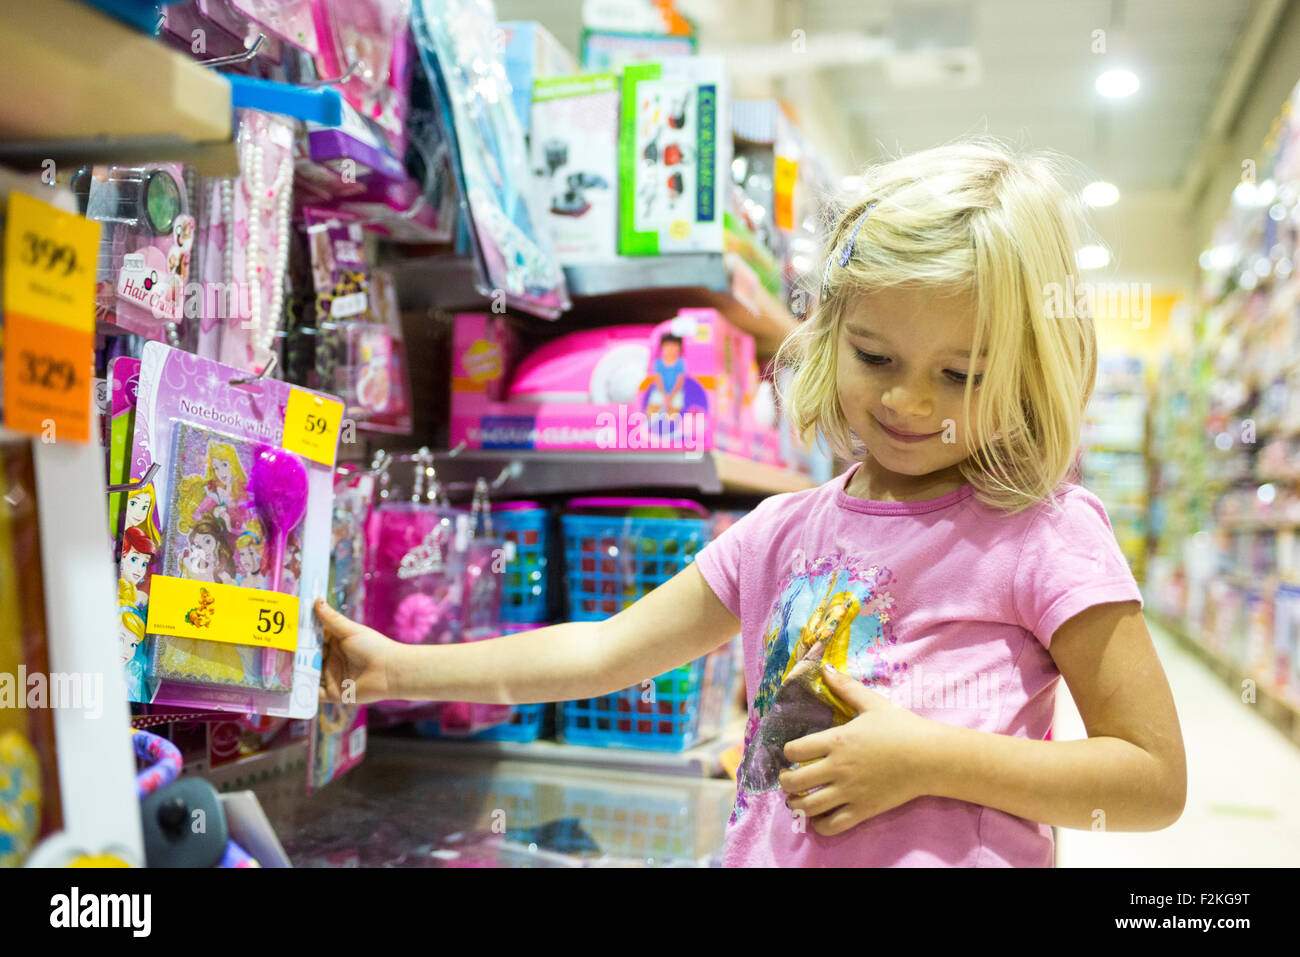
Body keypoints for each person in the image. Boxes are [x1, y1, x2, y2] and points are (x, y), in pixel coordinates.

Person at [314, 138, 1186, 867]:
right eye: (876, 358)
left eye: (960, 375)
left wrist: (930, 759)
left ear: (1031, 372)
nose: (909, 403)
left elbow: (1150, 777)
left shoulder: (1044, 533)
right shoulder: (780, 531)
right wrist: (396, 669)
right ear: (831, 335)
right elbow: (607, 649)